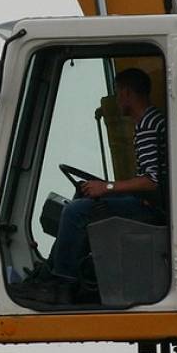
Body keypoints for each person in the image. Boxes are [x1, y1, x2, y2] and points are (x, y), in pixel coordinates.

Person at [43, 67, 166, 285]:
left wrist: (107, 187)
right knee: (84, 198)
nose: (117, 99)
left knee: (74, 212)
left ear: (127, 93)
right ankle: (53, 269)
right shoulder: (150, 121)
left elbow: (152, 182)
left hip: (154, 207)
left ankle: (61, 283)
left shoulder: (148, 125)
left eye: (118, 93)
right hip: (150, 202)